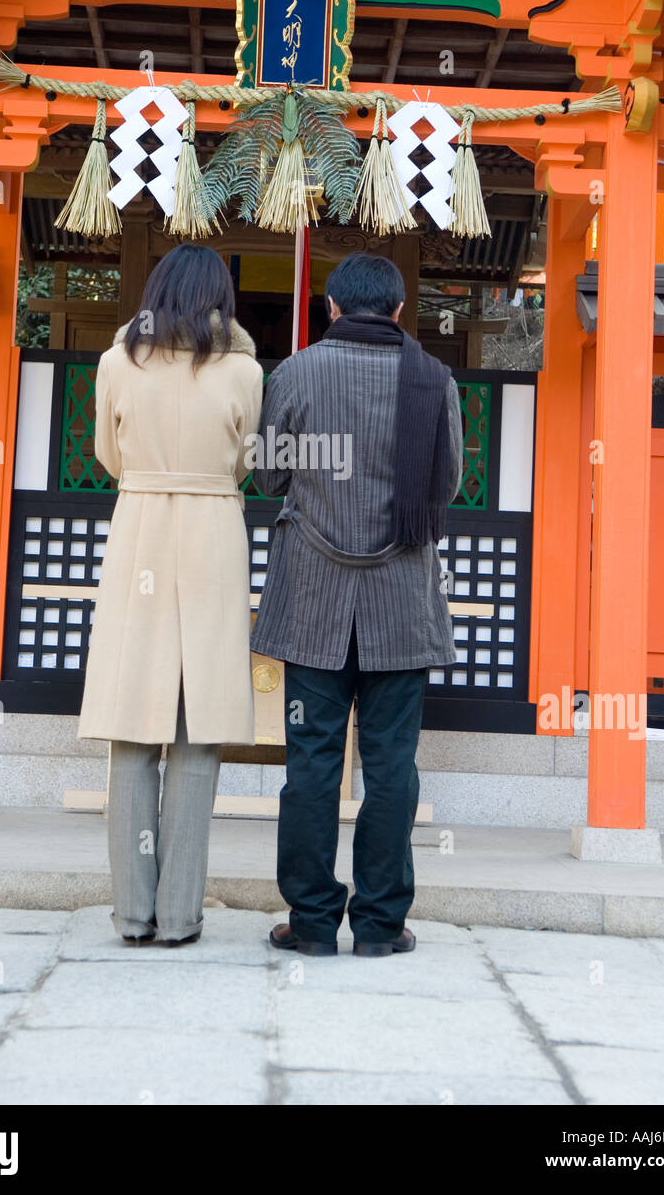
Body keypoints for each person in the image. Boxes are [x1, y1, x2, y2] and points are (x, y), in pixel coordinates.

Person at [250, 252, 463, 958]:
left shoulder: (295, 373)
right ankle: (378, 925)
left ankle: (310, 923)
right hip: (400, 601)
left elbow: (269, 472)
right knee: (392, 764)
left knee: (309, 761)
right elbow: (448, 485)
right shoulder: (434, 380)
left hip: (312, 597)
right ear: (399, 311)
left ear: (332, 308)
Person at [78, 243, 263, 947]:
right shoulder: (244, 370)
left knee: (131, 728)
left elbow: (106, 452)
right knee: (197, 733)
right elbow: (248, 457)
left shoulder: (114, 362)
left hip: (140, 531)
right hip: (215, 529)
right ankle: (182, 916)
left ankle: (131, 914)